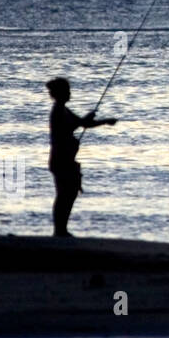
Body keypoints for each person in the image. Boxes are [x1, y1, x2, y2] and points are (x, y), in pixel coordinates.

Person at [45, 76, 115, 237]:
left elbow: (83, 124)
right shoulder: (57, 111)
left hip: (66, 159)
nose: (70, 94)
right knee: (64, 195)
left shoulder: (64, 109)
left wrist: (104, 121)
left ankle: (62, 229)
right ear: (60, 93)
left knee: (69, 194)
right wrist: (84, 120)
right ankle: (59, 230)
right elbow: (71, 126)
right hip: (61, 160)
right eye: (67, 91)